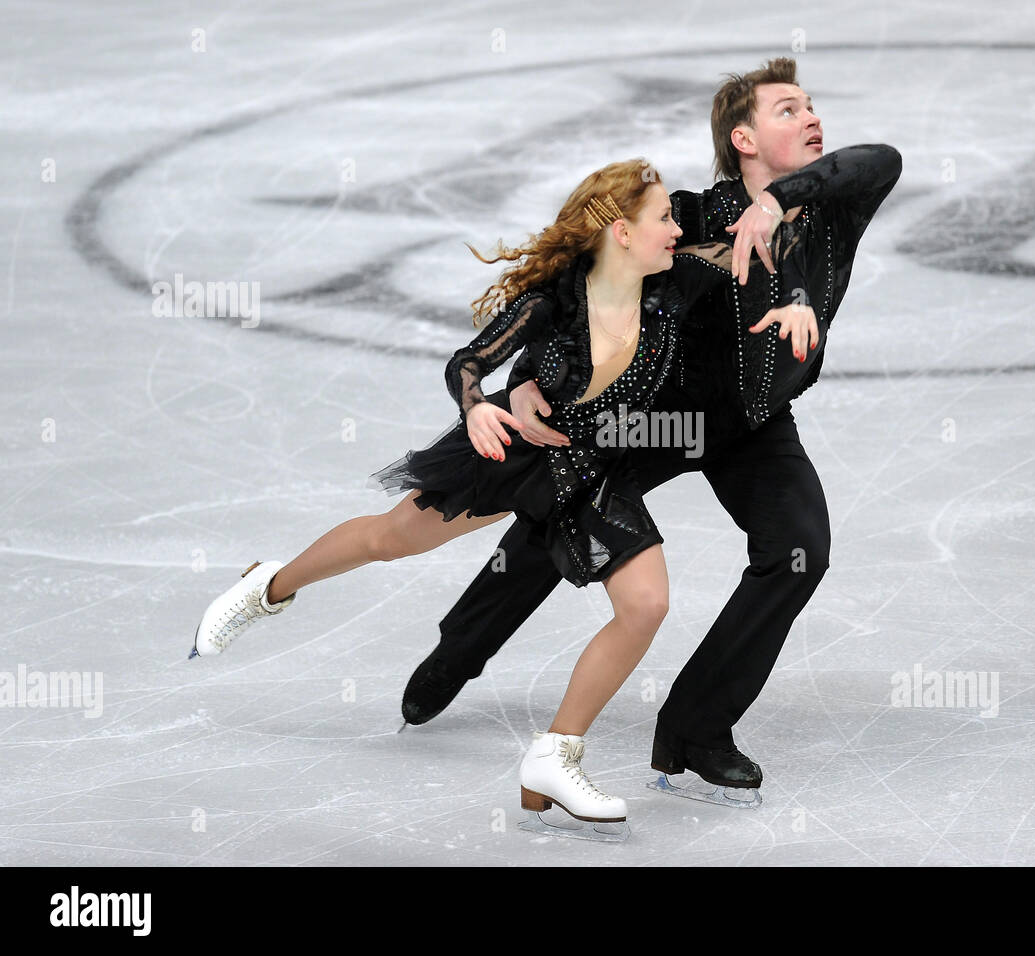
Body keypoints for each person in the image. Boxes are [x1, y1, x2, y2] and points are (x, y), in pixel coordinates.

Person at [187, 158, 810, 835]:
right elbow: (470, 360)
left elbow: (760, 251)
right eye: (663, 218)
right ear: (622, 232)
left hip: (589, 471)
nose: (675, 228)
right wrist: (479, 406)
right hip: (514, 450)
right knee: (390, 539)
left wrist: (796, 294)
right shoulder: (556, 300)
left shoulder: (678, 283)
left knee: (647, 603)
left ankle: (555, 756)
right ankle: (268, 585)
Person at [400, 57, 902, 805]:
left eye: (811, 107)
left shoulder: (834, 209)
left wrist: (779, 203)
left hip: (755, 423)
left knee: (799, 551)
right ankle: (463, 646)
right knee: (555, 512)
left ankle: (694, 731)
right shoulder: (693, 215)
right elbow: (585, 282)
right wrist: (535, 372)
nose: (812, 120)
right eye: (789, 110)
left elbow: (882, 160)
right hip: (656, 414)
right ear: (743, 137)